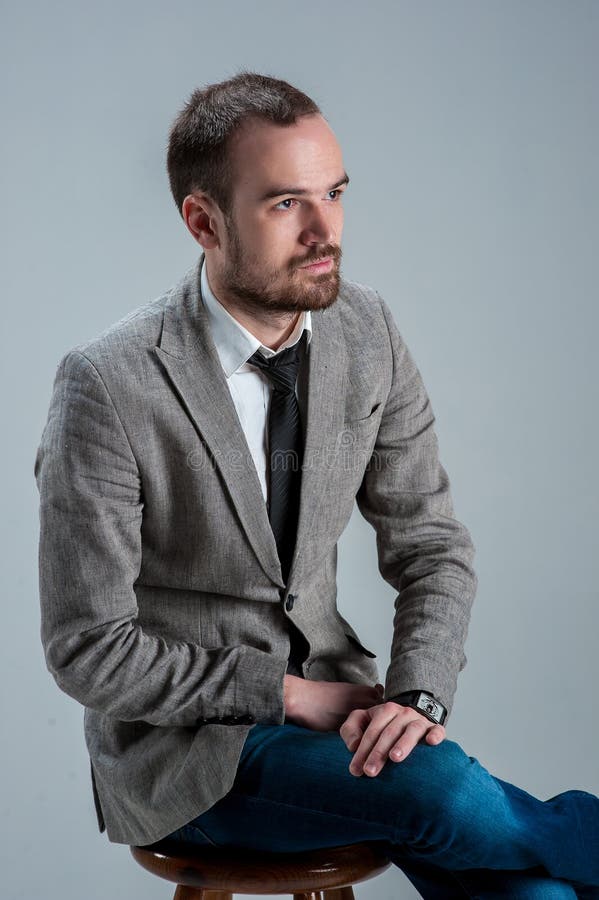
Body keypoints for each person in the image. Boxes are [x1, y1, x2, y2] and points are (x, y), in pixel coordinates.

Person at [34, 72, 599, 900]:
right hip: (186, 754)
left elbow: (432, 546)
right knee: (437, 793)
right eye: (283, 204)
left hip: (348, 722)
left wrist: (416, 699)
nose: (323, 229)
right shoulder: (108, 385)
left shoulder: (367, 331)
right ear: (203, 221)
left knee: (533, 892)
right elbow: (88, 650)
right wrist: (288, 696)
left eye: (333, 193)